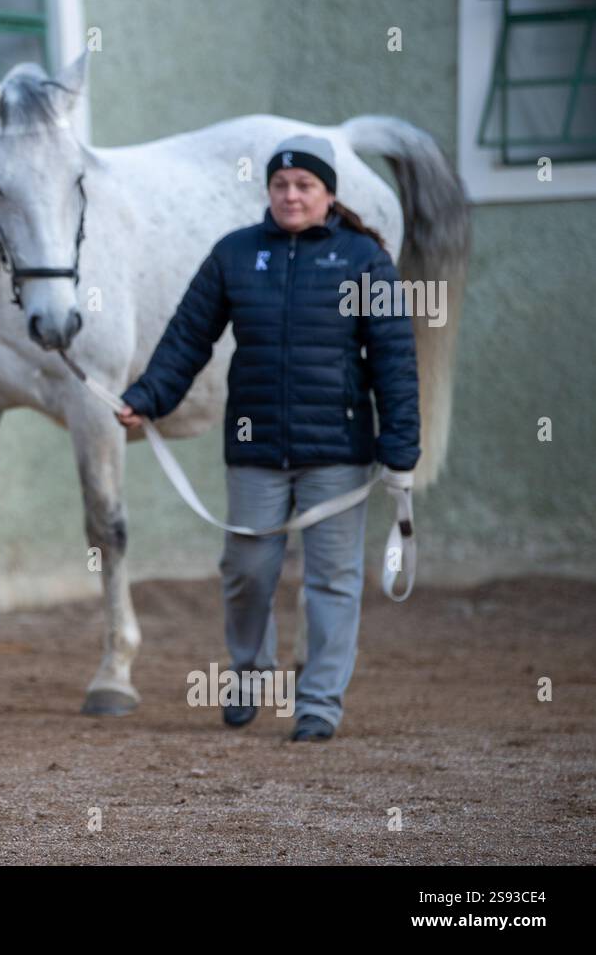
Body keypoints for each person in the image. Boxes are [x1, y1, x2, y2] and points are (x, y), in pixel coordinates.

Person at [117, 135, 419, 741]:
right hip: (256, 450)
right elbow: (187, 337)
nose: (291, 195)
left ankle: (318, 705)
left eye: (304, 185)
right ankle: (252, 676)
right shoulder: (234, 254)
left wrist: (401, 447)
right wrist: (148, 398)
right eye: (281, 185)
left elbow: (394, 356)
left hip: (337, 450)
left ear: (328, 193)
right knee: (247, 569)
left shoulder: (365, 260)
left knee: (331, 579)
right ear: (268, 191)